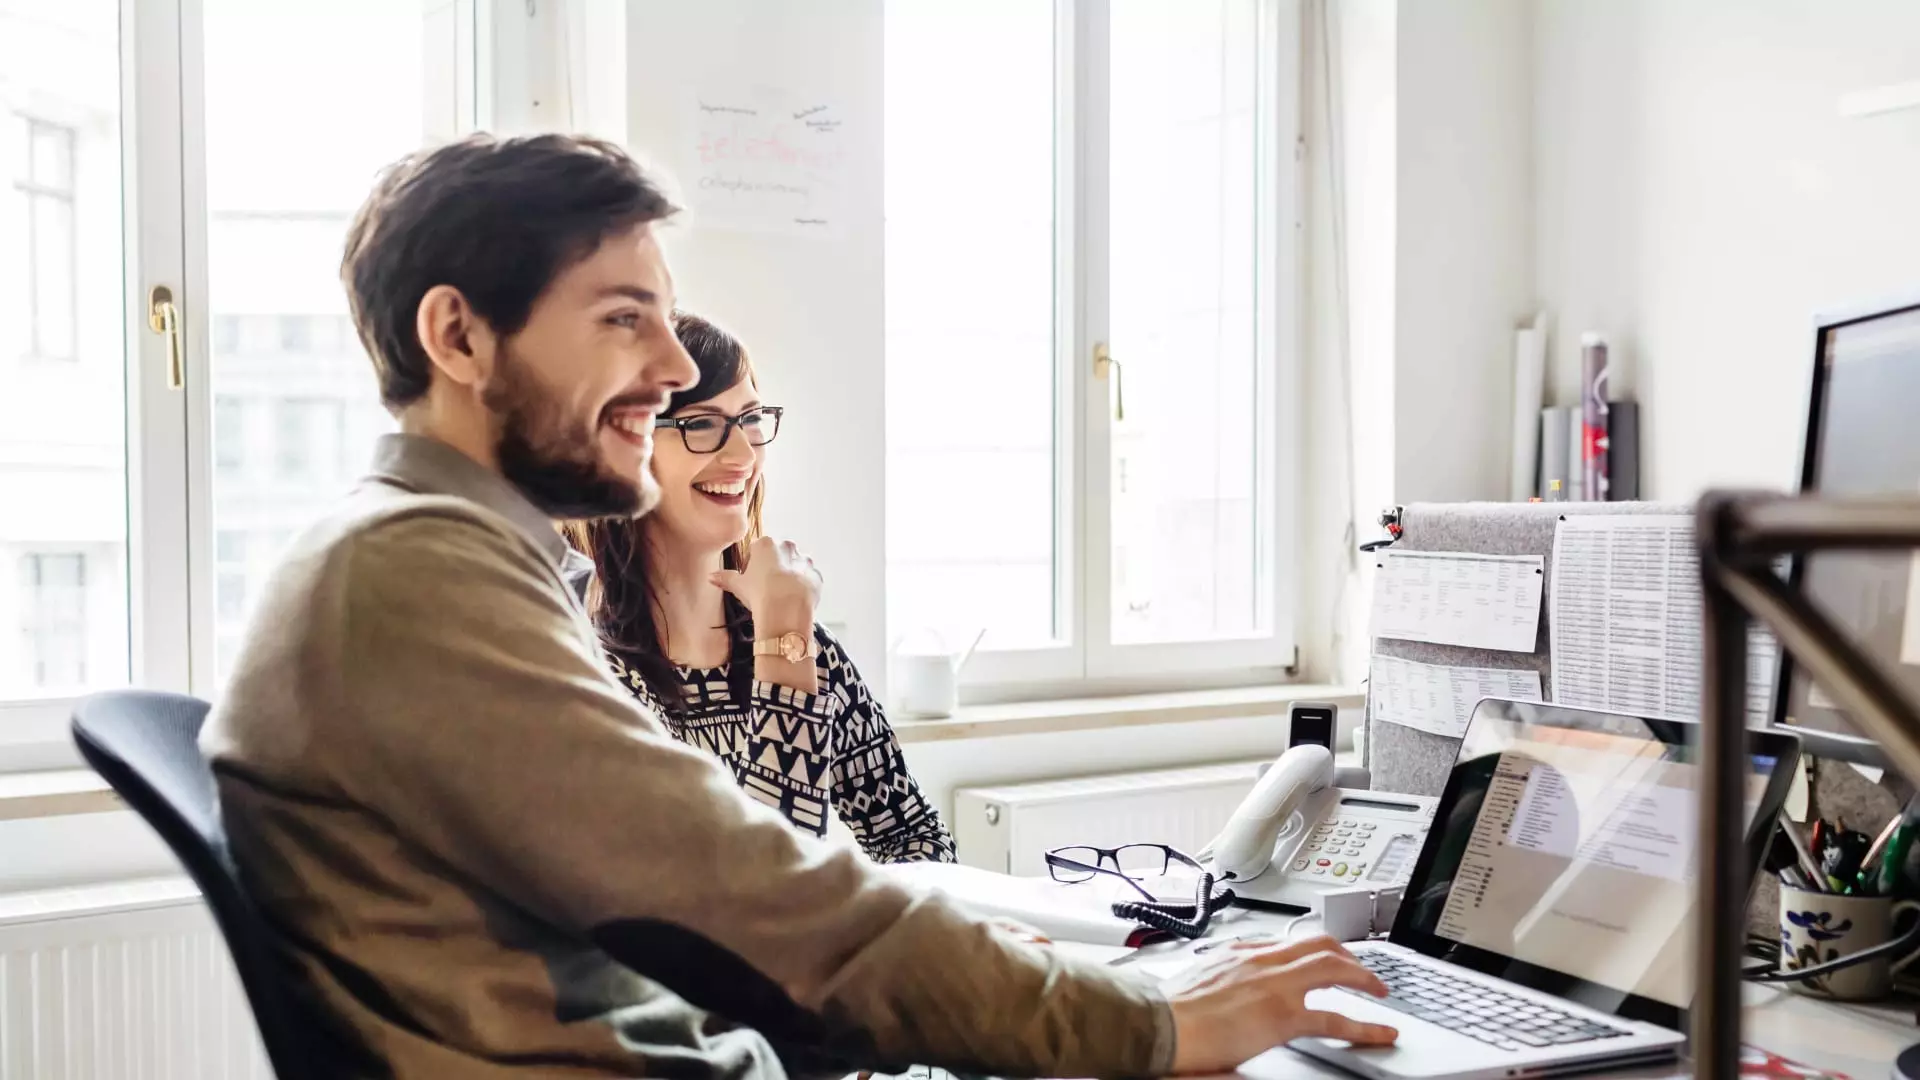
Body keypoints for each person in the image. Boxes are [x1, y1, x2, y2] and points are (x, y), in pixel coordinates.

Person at [200, 132, 1397, 1079]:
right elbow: (745, 898)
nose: (673, 370)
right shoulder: (414, 574)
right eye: (624, 317)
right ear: (458, 335)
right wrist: (1142, 1023)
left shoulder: (431, 558)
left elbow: (820, 876)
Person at [566, 311, 954, 864]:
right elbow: (753, 889)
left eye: (750, 419)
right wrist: (784, 643)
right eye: (701, 424)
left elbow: (915, 838)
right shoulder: (586, 668)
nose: (744, 455)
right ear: (622, 446)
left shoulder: (800, 640)